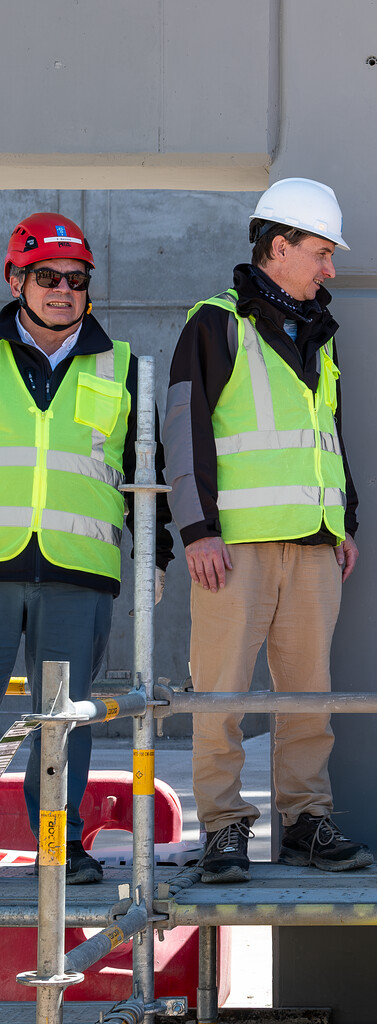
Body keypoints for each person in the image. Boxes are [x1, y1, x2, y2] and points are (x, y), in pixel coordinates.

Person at [163, 177, 372, 882]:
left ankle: (305, 821)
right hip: (236, 548)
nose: (330, 268)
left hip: (314, 543)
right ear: (277, 248)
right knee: (220, 694)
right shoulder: (215, 323)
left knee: (308, 694)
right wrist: (196, 530)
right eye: (320, 253)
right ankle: (222, 829)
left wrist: (345, 522)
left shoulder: (317, 334)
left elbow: (329, 436)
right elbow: (182, 428)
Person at [0, 211, 173, 883]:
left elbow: (142, 473)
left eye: (76, 279)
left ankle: (57, 843)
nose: (62, 290)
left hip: (80, 571)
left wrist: (152, 555)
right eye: (46, 276)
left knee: (61, 720)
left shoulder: (121, 364)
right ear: (16, 278)